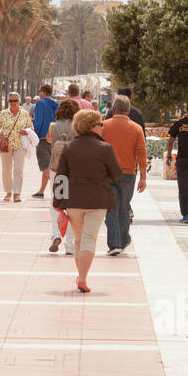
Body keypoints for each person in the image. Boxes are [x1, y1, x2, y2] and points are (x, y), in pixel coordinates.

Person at [53, 109, 122, 293]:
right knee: (89, 239)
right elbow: (116, 174)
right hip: (98, 199)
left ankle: (80, 275)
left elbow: (60, 177)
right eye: (100, 124)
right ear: (92, 126)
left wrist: (57, 202)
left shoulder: (68, 148)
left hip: (74, 200)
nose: (102, 127)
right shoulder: (105, 148)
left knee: (78, 240)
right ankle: (82, 278)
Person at [98, 96, 148, 255]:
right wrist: (143, 177)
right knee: (124, 207)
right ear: (128, 110)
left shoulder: (103, 126)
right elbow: (141, 153)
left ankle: (114, 244)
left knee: (111, 208)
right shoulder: (136, 128)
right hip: (128, 174)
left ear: (113, 109)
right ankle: (123, 239)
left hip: (107, 173)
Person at [45, 99, 80, 254]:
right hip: (74, 169)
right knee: (72, 205)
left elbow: (48, 139)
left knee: (57, 201)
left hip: (56, 169)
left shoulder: (53, 126)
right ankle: (70, 245)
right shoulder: (78, 127)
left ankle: (56, 235)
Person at [0, 92, 33, 201]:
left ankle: (17, 193)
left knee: (18, 169)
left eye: (15, 100)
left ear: (19, 101)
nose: (13, 103)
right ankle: (8, 192)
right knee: (6, 169)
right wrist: (1, 138)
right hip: (5, 145)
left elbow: (31, 128)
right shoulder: (3, 113)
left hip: (20, 144)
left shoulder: (24, 114)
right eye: (11, 101)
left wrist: (26, 131)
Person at [30, 84, 59, 197]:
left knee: (45, 166)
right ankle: (41, 190)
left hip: (42, 137)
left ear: (43, 92)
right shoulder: (55, 103)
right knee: (52, 164)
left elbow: (39, 120)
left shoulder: (41, 103)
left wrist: (34, 134)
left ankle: (54, 190)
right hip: (54, 136)